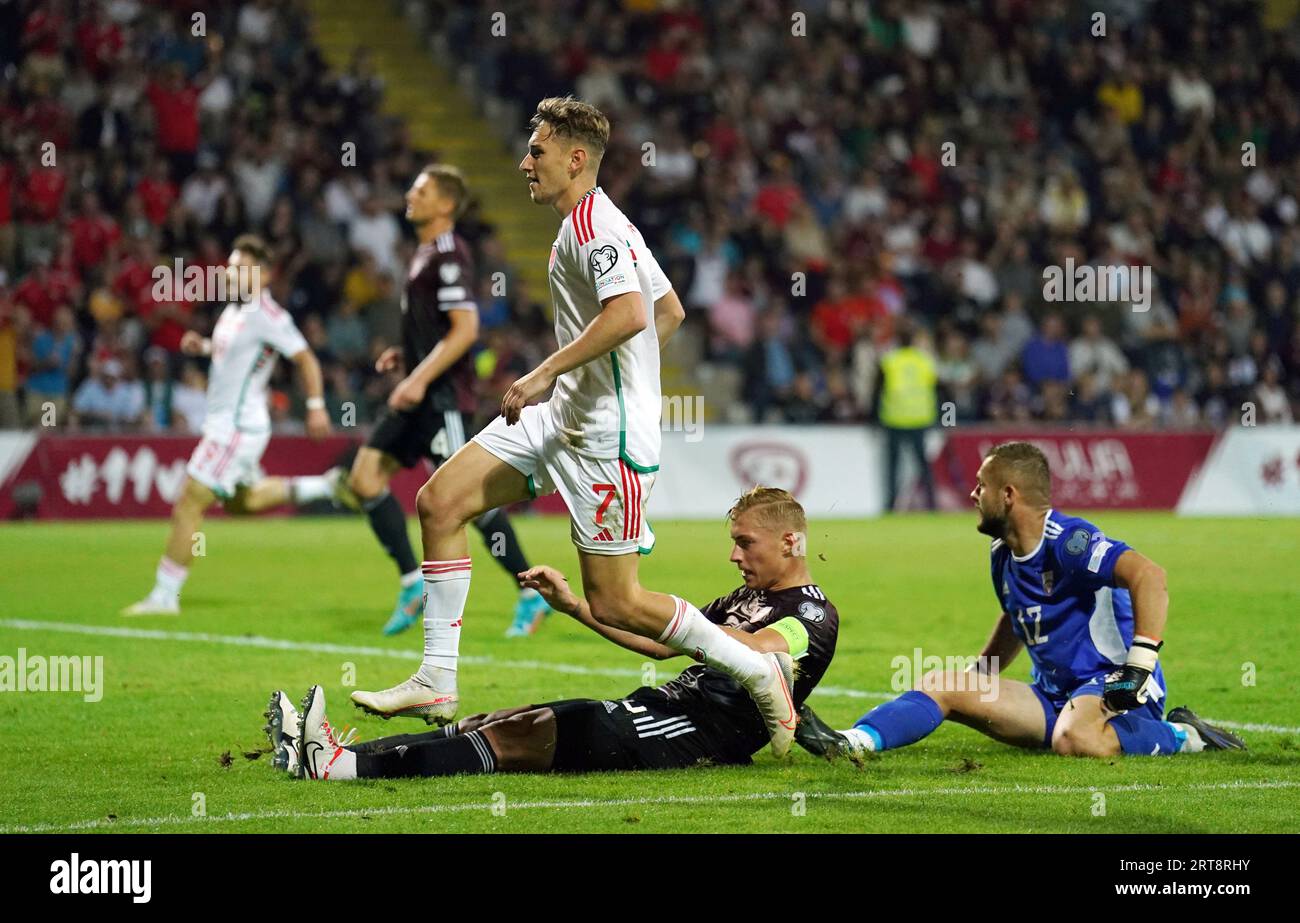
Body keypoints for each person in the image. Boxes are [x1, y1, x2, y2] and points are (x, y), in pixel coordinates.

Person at [348, 96, 798, 756]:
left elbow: (630, 315)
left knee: (617, 602)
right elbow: (666, 308)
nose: (524, 161)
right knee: (440, 500)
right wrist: (614, 379)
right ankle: (437, 677)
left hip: (603, 439)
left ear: (575, 158)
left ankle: (757, 669)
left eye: (537, 151)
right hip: (562, 419)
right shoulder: (586, 225)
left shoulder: (597, 229)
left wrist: (548, 374)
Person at [265, 488, 836, 779]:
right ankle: (329, 756)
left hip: (703, 737)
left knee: (538, 732)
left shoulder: (811, 613)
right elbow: (662, 642)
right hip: (664, 709)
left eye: (746, 543)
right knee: (499, 721)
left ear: (790, 543)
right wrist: (576, 607)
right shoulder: (744, 597)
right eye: (733, 541)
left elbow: (765, 654)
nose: (733, 555)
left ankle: (338, 767)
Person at [796, 441, 1245, 760]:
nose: (973, 495)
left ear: (1008, 495)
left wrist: (1138, 667)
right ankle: (851, 742)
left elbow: (1149, 575)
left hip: (1114, 685)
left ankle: (1185, 735)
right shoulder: (1002, 555)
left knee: (1076, 739)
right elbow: (1017, 619)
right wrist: (981, 678)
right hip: (1052, 697)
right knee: (942, 682)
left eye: (981, 486)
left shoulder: (1070, 541)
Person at [324, 164, 548, 636]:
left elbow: (466, 330)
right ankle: (411, 583)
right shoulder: (424, 253)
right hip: (420, 391)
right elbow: (440, 329)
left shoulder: (450, 253)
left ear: (445, 204)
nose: (410, 194)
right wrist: (406, 355)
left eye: (421, 189)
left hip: (443, 397)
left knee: (470, 501)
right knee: (364, 479)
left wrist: (419, 377)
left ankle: (530, 592)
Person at [122, 235, 336, 616]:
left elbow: (305, 359)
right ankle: (325, 484)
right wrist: (202, 347)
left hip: (235, 428)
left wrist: (316, 406)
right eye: (231, 265)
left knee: (189, 501)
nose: (230, 272)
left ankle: (164, 596)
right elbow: (235, 354)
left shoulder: (269, 316)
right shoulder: (233, 311)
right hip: (230, 425)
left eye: (240, 268)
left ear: (264, 275)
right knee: (243, 501)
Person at [874, 320, 937, 511]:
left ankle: (890, 506)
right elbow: (937, 388)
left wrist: (873, 416)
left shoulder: (889, 360)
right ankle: (932, 505)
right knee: (923, 465)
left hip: (894, 418)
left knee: (893, 466)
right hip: (919, 418)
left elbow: (877, 390)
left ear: (897, 339)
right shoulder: (925, 360)